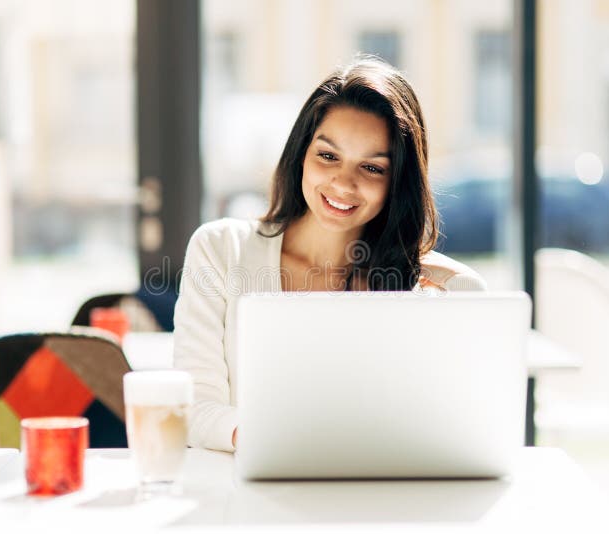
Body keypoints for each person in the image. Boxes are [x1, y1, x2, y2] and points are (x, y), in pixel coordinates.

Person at [173, 57, 486, 452]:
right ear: (301, 154)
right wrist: (281, 442)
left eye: (372, 168)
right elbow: (195, 408)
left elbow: (461, 430)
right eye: (328, 156)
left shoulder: (449, 289)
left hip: (387, 497)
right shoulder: (221, 250)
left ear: (398, 183)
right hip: (253, 493)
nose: (343, 183)